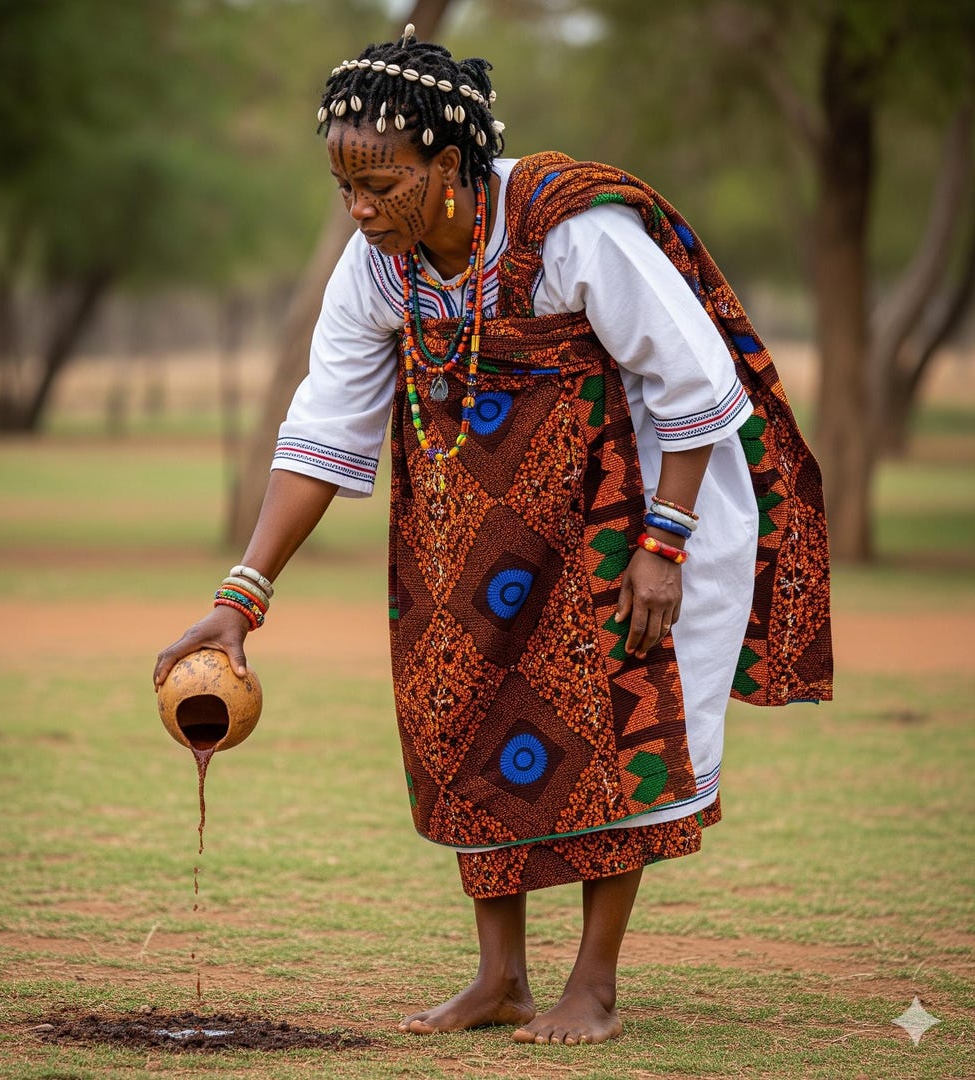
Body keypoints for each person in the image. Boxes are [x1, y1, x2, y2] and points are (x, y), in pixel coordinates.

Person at [154, 25, 833, 1047]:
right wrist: (241, 594)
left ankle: (592, 986)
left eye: (380, 183)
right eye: (345, 186)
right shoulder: (376, 270)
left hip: (628, 518)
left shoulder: (570, 232)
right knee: (464, 719)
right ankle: (501, 979)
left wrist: (665, 546)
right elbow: (324, 426)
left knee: (616, 727)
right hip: (463, 537)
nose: (360, 207)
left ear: (448, 161)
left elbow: (693, 379)